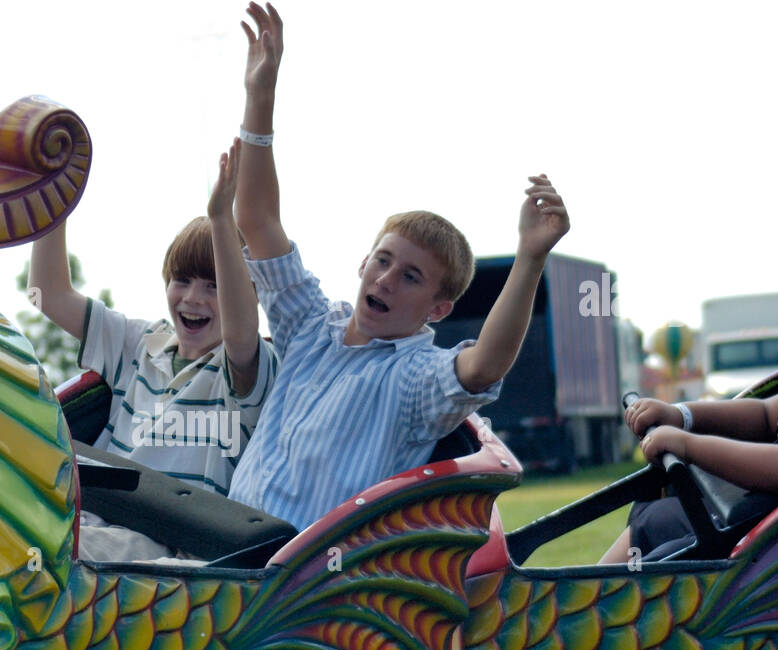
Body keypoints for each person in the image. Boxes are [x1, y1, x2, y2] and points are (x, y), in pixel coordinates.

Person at [225, 3, 571, 531]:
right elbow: (255, 218)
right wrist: (260, 94)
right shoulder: (311, 328)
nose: (386, 278)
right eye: (382, 261)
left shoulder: (412, 380)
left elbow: (483, 366)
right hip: (222, 555)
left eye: (410, 276)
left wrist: (530, 257)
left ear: (438, 307)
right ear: (363, 263)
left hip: (302, 592)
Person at [29, 140, 277, 561]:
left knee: (40, 550)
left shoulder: (244, 370)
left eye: (214, 286)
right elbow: (46, 295)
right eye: (182, 280)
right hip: (90, 513)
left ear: (245, 295)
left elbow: (240, 332)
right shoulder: (139, 343)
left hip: (170, 542)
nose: (193, 299)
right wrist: (55, 198)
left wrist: (221, 219)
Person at [601, 253, 778, 563]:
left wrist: (687, 445)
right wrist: (680, 415)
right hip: (746, 526)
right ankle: (567, 608)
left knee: (666, 566)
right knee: (653, 519)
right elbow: (765, 416)